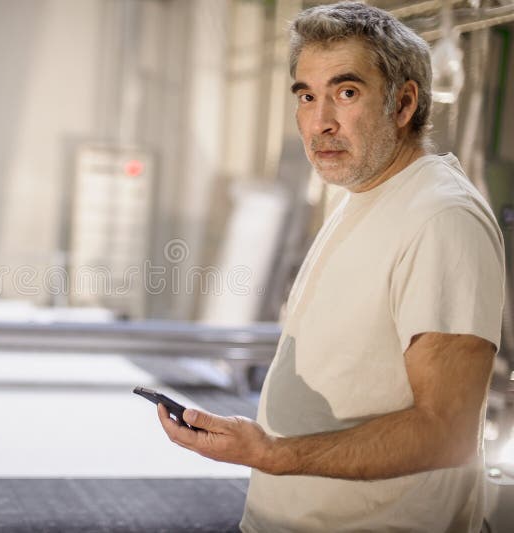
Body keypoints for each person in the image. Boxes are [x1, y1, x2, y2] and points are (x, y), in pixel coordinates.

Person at [156, 3, 505, 532]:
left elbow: (444, 431)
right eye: (306, 95)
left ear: (403, 103)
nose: (320, 121)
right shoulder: (364, 195)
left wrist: (274, 454)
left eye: (346, 92)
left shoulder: (440, 217)